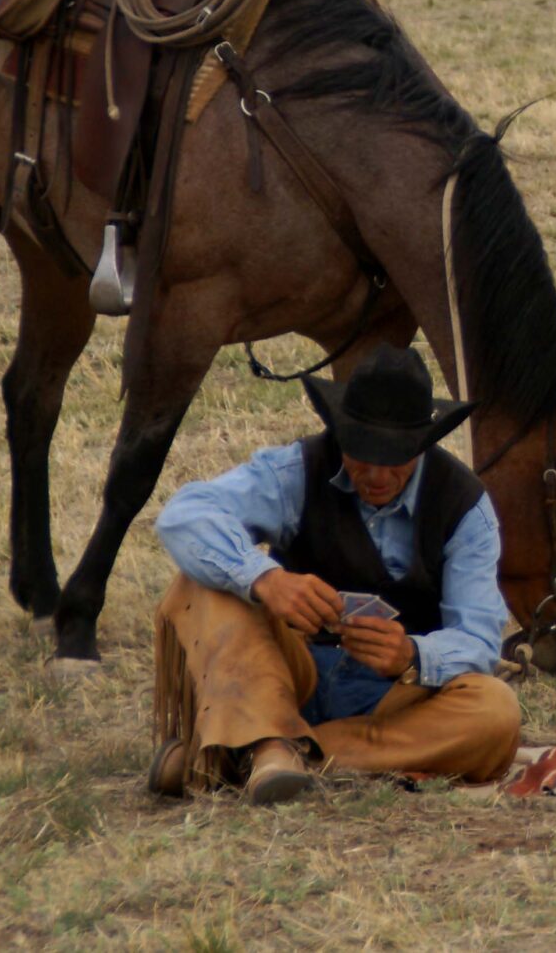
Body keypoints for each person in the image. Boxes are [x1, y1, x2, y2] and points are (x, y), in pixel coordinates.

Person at [145, 344, 520, 804]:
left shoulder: (465, 508)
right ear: (340, 433)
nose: (376, 474)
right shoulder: (297, 469)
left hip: (394, 700)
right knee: (204, 582)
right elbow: (184, 514)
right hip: (283, 674)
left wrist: (412, 655)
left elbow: (478, 640)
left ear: (423, 445)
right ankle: (267, 741)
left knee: (495, 712)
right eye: (361, 452)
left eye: (395, 456)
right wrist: (264, 579)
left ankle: (265, 753)